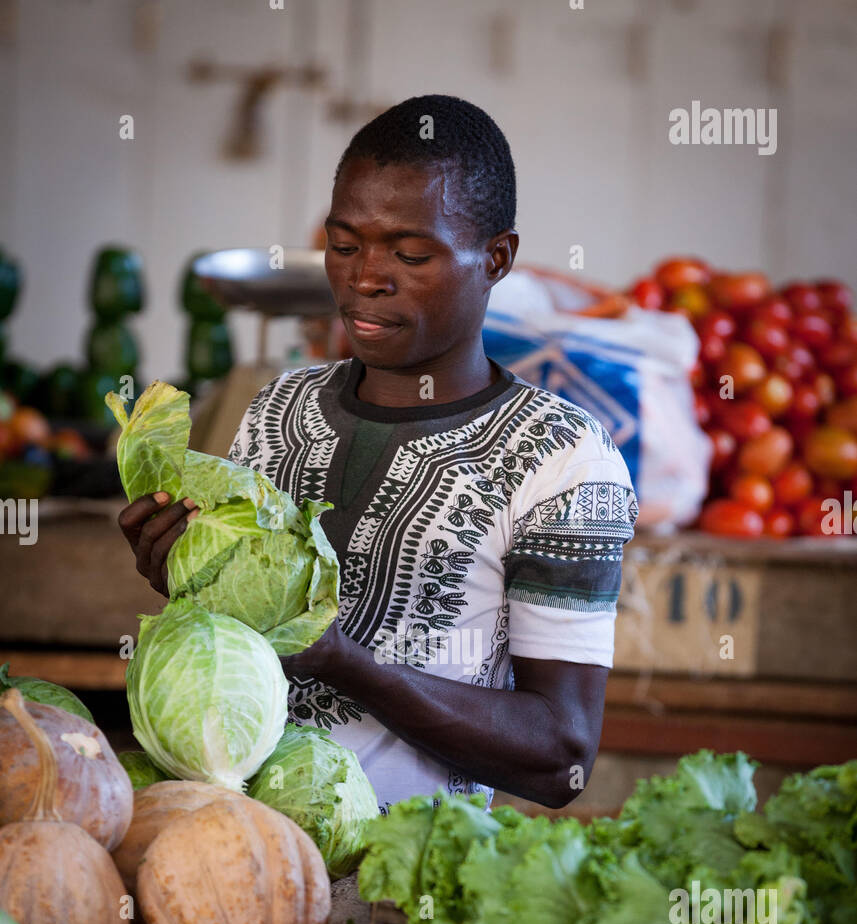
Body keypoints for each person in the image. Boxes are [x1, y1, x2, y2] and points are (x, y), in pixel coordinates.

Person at [119, 94, 637, 813]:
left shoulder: (564, 459)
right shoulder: (278, 409)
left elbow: (560, 755)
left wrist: (341, 661)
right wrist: (184, 570)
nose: (365, 277)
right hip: (232, 858)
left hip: (402, 892)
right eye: (343, 245)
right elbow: (237, 641)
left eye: (410, 253)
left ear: (495, 258)